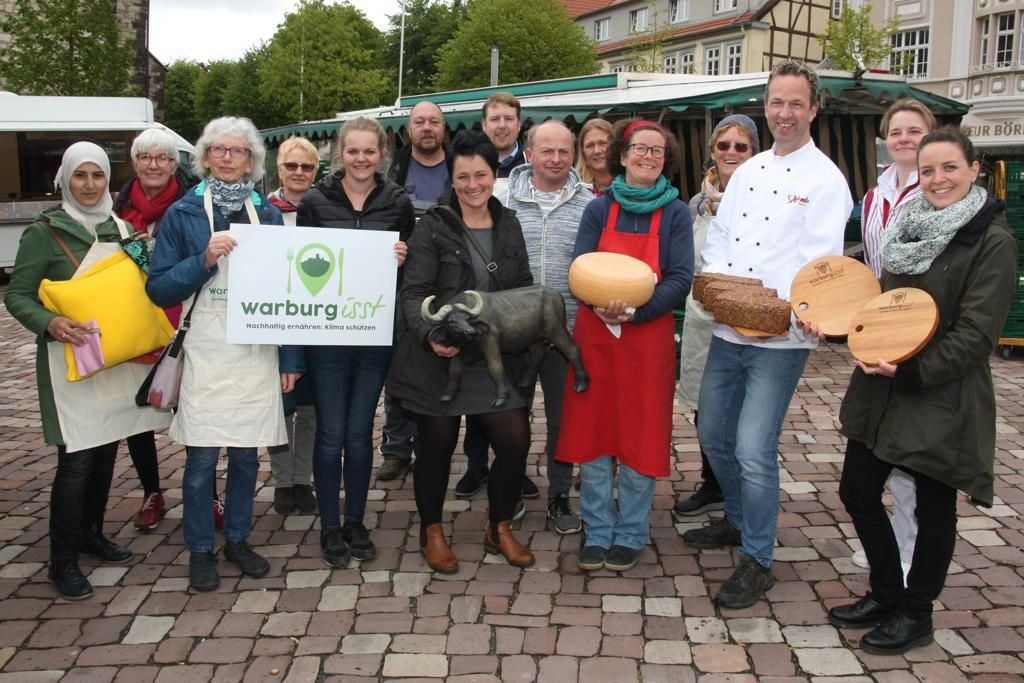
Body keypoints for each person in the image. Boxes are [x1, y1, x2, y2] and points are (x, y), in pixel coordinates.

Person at [829, 127, 1016, 654]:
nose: (938, 179)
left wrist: (909, 372)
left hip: (938, 391)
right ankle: (887, 592)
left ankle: (916, 612)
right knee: (858, 491)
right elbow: (885, 306)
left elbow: (976, 337)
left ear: (974, 169)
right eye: (929, 170)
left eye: (950, 168)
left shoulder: (992, 240)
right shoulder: (909, 227)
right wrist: (843, 324)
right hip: (882, 385)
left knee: (934, 509)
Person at [682, 61, 853, 609]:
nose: (784, 113)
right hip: (730, 329)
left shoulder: (826, 180)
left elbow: (819, 263)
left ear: (813, 109)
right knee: (712, 433)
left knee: (754, 448)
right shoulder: (751, 168)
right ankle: (735, 520)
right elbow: (722, 240)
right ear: (766, 105)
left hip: (783, 340)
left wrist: (767, 309)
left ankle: (756, 558)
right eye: (776, 102)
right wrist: (729, 297)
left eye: (795, 103)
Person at [5, 142, 171, 600]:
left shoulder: (118, 226)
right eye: (81, 176)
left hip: (114, 359)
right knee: (76, 460)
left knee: (104, 452)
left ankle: (91, 533)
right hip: (70, 362)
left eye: (98, 175)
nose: (90, 184)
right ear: (65, 179)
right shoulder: (44, 232)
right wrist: (50, 323)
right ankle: (62, 560)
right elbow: (17, 295)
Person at [147, 116, 302, 592]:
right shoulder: (183, 213)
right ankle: (199, 549)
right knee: (200, 462)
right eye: (219, 150)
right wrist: (205, 259)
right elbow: (158, 287)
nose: (228, 158)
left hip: (255, 348)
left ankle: (236, 538)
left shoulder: (269, 215)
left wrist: (290, 358)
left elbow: (287, 290)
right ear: (205, 157)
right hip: (208, 349)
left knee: (246, 459)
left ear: (252, 161)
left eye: (237, 151)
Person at [387, 129, 536, 574]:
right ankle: (431, 530)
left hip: (494, 357)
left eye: (482, 175)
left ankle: (500, 525)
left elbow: (522, 286)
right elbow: (413, 292)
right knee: (436, 443)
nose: (474, 185)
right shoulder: (431, 227)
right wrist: (432, 334)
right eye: (464, 176)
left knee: (514, 440)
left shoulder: (509, 223)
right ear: (451, 180)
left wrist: (524, 323)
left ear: (495, 175)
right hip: (441, 355)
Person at [556, 118, 694, 573]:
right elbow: (580, 268)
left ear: (665, 160)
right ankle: (597, 529)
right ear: (621, 155)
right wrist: (597, 306)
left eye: (657, 151)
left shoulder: (675, 213)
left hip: (646, 341)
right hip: (596, 338)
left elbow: (680, 277)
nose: (648, 157)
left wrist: (640, 311)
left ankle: (631, 530)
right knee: (595, 434)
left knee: (639, 433)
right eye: (640, 148)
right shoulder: (600, 210)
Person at [297, 117, 414, 567]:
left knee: (360, 431)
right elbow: (300, 264)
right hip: (327, 333)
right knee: (330, 432)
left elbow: (413, 267)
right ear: (339, 153)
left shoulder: (398, 201)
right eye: (353, 151)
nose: (361, 159)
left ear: (381, 153)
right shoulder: (315, 201)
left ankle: (356, 521)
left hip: (374, 331)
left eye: (369, 151)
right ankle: (330, 524)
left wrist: (404, 257)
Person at [850, 99, 937, 574]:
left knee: (909, 451)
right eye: (897, 132)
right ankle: (890, 541)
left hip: (916, 325)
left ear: (929, 134)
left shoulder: (936, 192)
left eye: (914, 131)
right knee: (879, 441)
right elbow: (870, 265)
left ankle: (910, 548)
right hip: (879, 324)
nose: (904, 139)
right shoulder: (873, 193)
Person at [500, 119, 593, 535]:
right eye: (547, 150)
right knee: (510, 416)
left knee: (563, 419)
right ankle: (511, 489)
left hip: (565, 332)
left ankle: (559, 493)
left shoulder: (590, 203)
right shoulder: (502, 202)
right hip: (515, 332)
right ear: (530, 153)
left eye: (563, 150)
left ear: (572, 154)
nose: (555, 159)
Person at [673, 114, 759, 519]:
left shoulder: (764, 195)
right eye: (724, 146)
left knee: (741, 410)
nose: (731, 153)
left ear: (754, 152)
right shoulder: (697, 203)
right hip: (701, 316)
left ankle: (739, 490)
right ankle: (713, 483)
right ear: (712, 151)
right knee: (703, 406)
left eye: (741, 147)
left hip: (745, 318)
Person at [462, 91, 538, 504]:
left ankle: (514, 465)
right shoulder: (471, 162)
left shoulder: (533, 167)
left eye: (509, 118)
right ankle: (476, 464)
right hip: (479, 291)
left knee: (516, 388)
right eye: (495, 119)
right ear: (484, 123)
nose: (502, 125)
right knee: (479, 384)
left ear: (519, 124)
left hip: (517, 294)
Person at [113, 128, 188, 531]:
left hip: (180, 320)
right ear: (136, 162)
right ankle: (152, 492)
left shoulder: (192, 203)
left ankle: (205, 493)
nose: (154, 165)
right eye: (146, 157)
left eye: (162, 158)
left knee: (191, 407)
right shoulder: (119, 208)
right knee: (137, 415)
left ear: (174, 164)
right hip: (133, 320)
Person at [378, 100, 452, 483]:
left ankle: (431, 444)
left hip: (449, 280)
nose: (427, 127)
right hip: (400, 280)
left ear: (444, 128)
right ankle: (396, 447)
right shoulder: (393, 169)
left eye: (434, 122)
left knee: (441, 363)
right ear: (409, 128)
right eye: (419, 121)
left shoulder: (458, 166)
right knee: (400, 363)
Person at [266, 136, 321, 516]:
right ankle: (283, 480)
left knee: (313, 406)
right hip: (277, 318)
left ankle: (304, 479)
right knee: (281, 405)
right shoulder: (261, 211)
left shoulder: (327, 208)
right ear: (279, 169)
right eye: (291, 166)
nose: (299, 173)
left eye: (307, 167)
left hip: (320, 322)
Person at [575, 118, 613, 194]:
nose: (597, 151)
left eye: (603, 143)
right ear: (583, 152)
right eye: (590, 145)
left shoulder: (629, 186)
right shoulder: (576, 190)